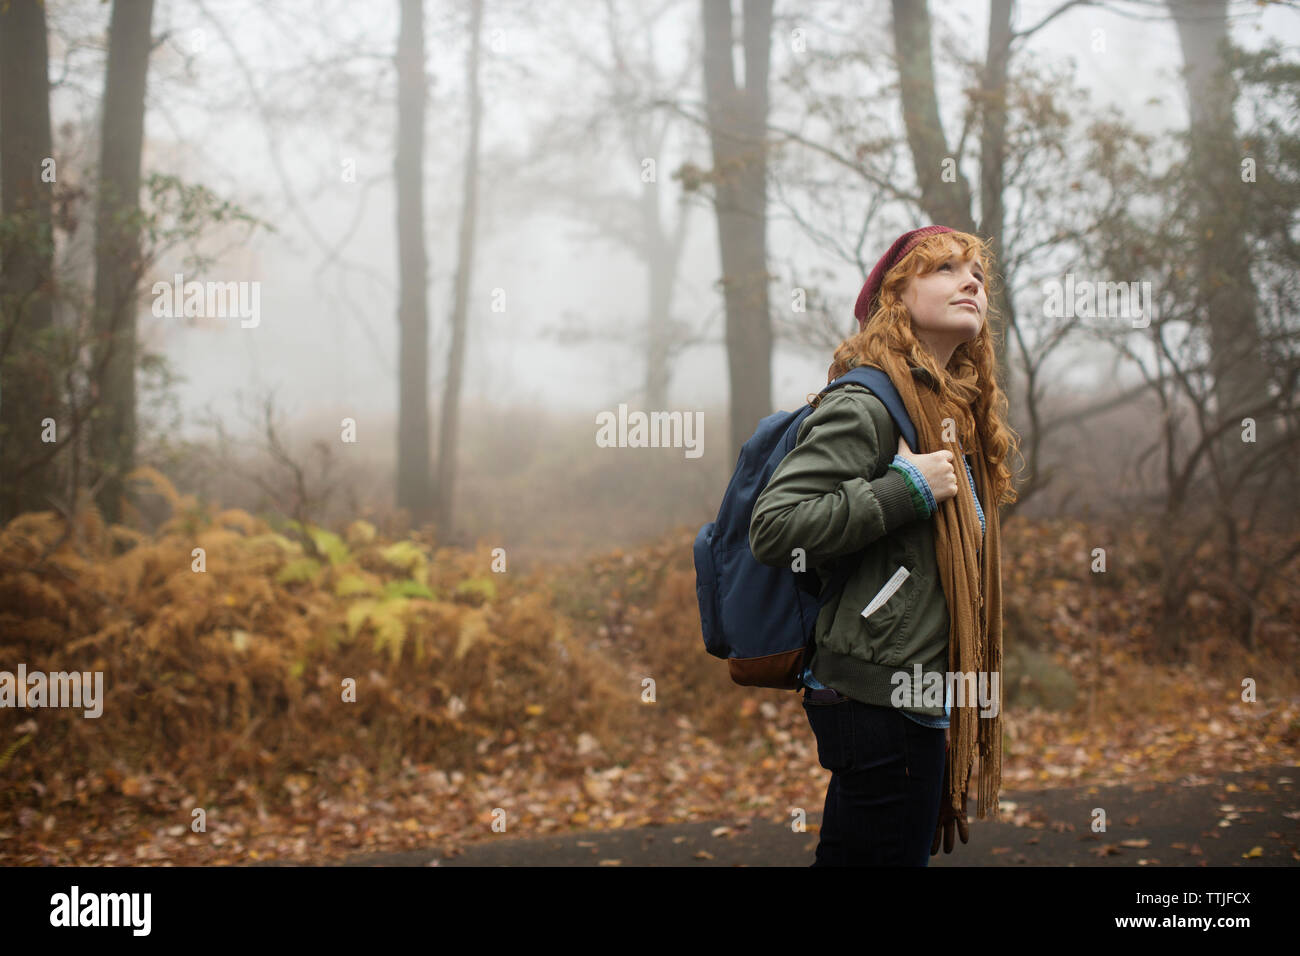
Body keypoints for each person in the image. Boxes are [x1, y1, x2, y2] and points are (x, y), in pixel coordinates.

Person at [749, 225, 1020, 866]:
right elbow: (776, 525)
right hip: (877, 697)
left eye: (976, 271)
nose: (972, 281)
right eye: (945, 268)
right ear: (896, 299)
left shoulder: (951, 414)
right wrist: (905, 488)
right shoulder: (867, 406)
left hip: (919, 693)